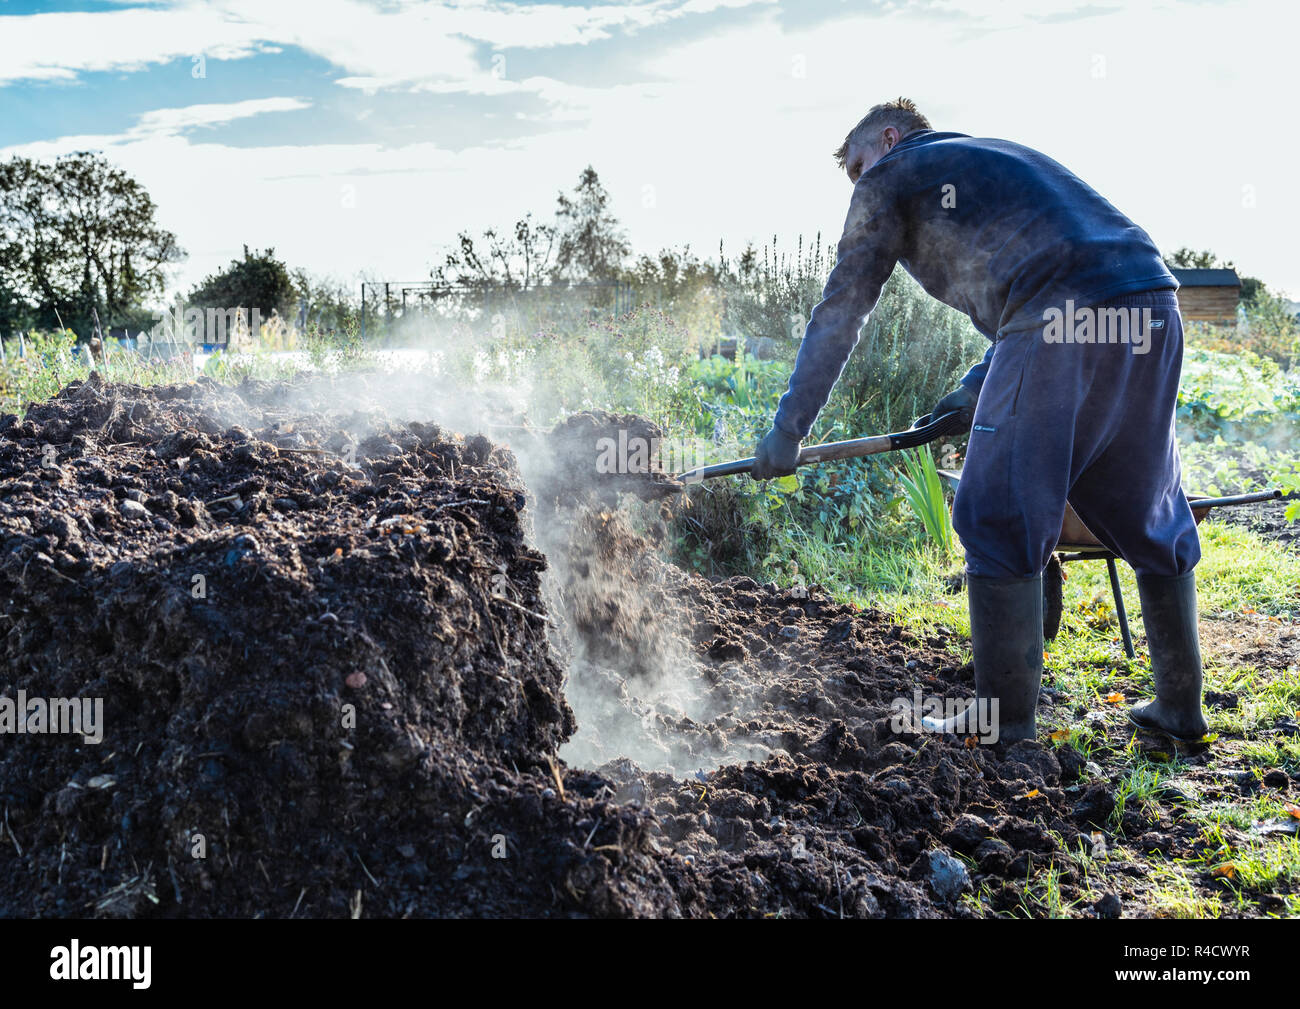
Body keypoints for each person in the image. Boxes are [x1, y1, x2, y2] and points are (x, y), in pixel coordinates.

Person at [750, 98, 1206, 745]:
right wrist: (971, 391)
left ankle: (1006, 723)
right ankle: (1181, 711)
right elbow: (1053, 268)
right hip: (1149, 302)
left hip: (1061, 311)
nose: (858, 186)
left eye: (856, 167)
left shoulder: (893, 174)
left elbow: (840, 310)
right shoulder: (983, 163)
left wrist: (788, 429)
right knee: (1142, 505)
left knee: (994, 509)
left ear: (887, 138)